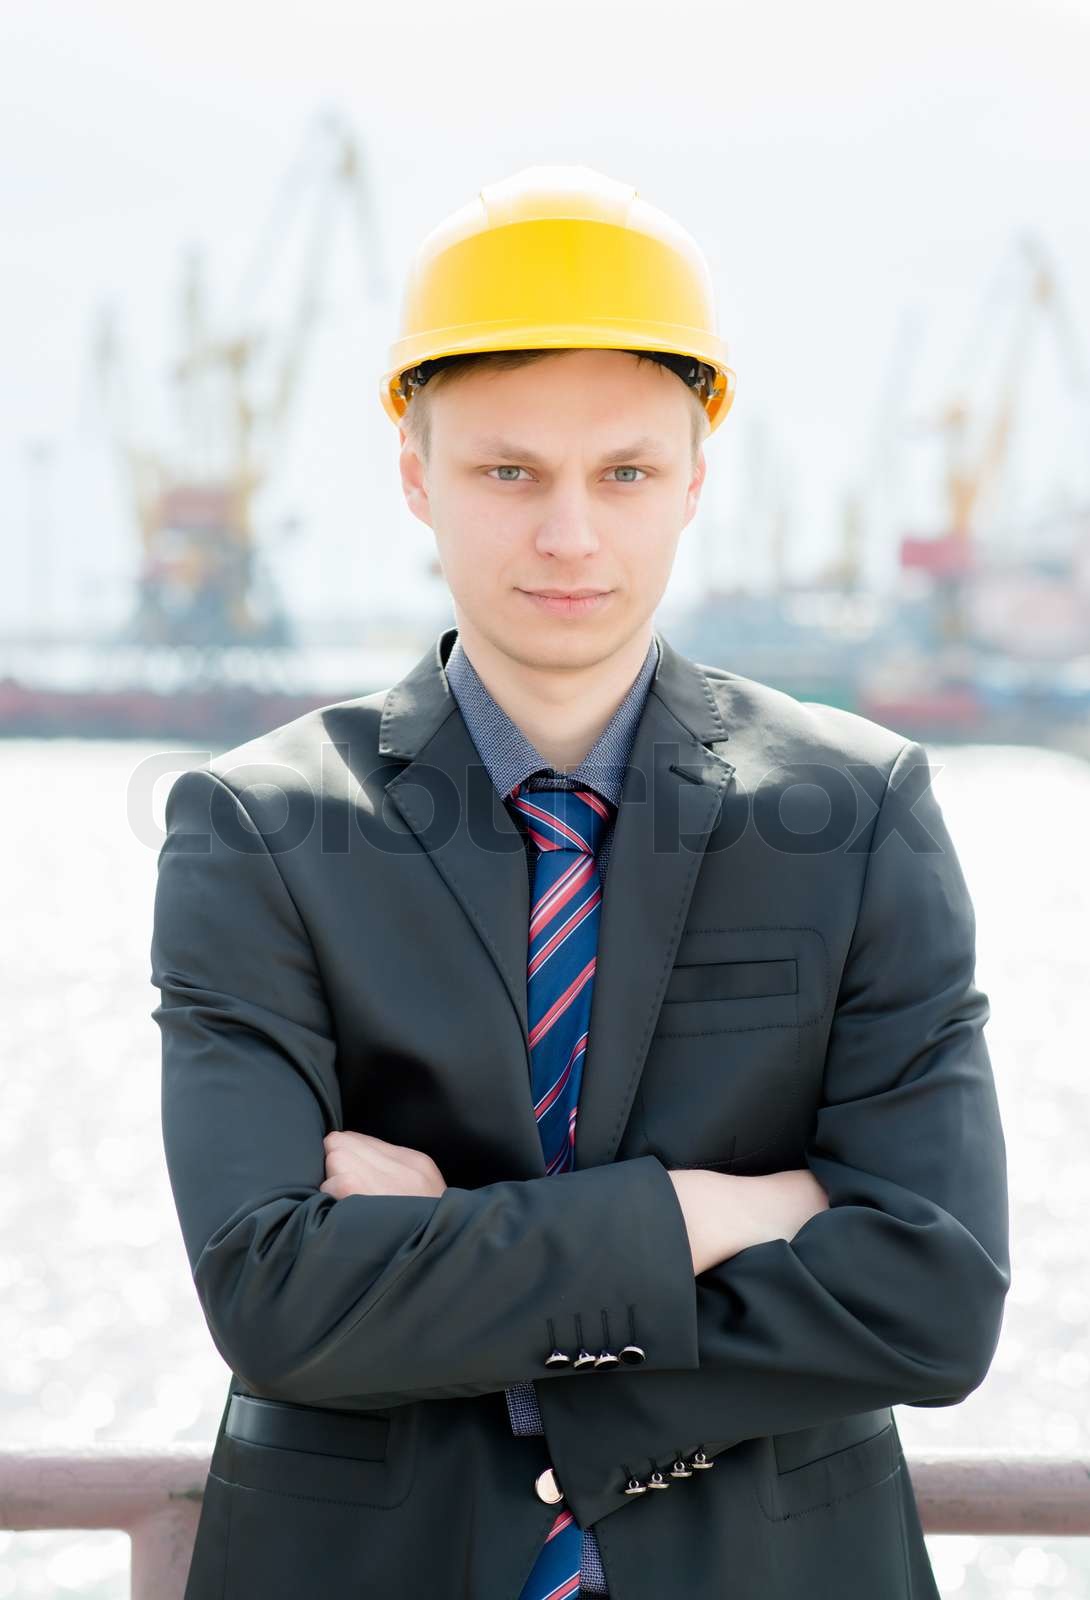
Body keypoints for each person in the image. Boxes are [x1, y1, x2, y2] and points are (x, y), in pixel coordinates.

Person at [151, 164, 1010, 1600]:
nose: (568, 535)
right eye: (507, 473)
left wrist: (445, 1260)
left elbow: (931, 1298)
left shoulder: (855, 812)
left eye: (622, 472)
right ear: (416, 476)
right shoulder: (256, 826)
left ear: (692, 479)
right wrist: (715, 1210)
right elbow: (276, 1301)